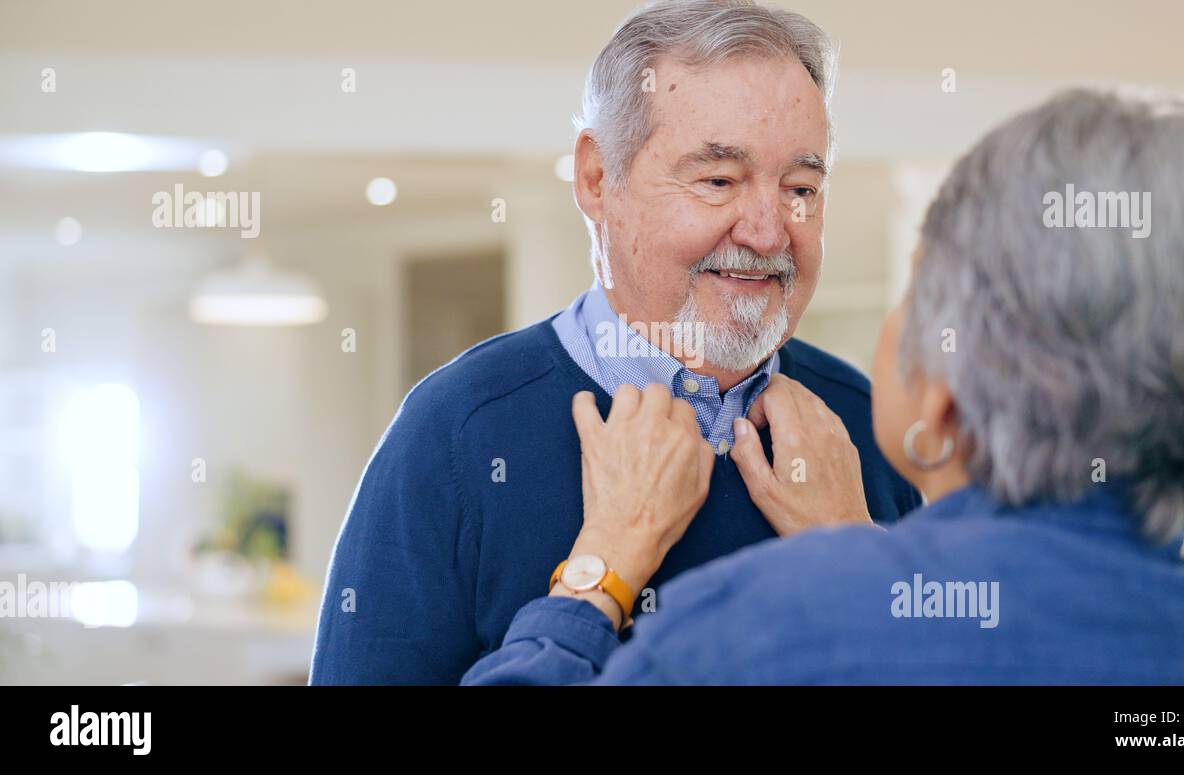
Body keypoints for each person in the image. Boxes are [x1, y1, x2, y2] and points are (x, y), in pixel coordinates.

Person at [462, 87, 1184, 685]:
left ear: (944, 390)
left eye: (918, 288)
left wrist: (598, 576)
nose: (766, 229)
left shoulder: (746, 632)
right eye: (719, 179)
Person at [310, 0, 920, 685]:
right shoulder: (455, 432)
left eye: (801, 187)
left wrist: (861, 567)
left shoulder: (866, 425)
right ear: (598, 179)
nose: (768, 232)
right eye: (718, 180)